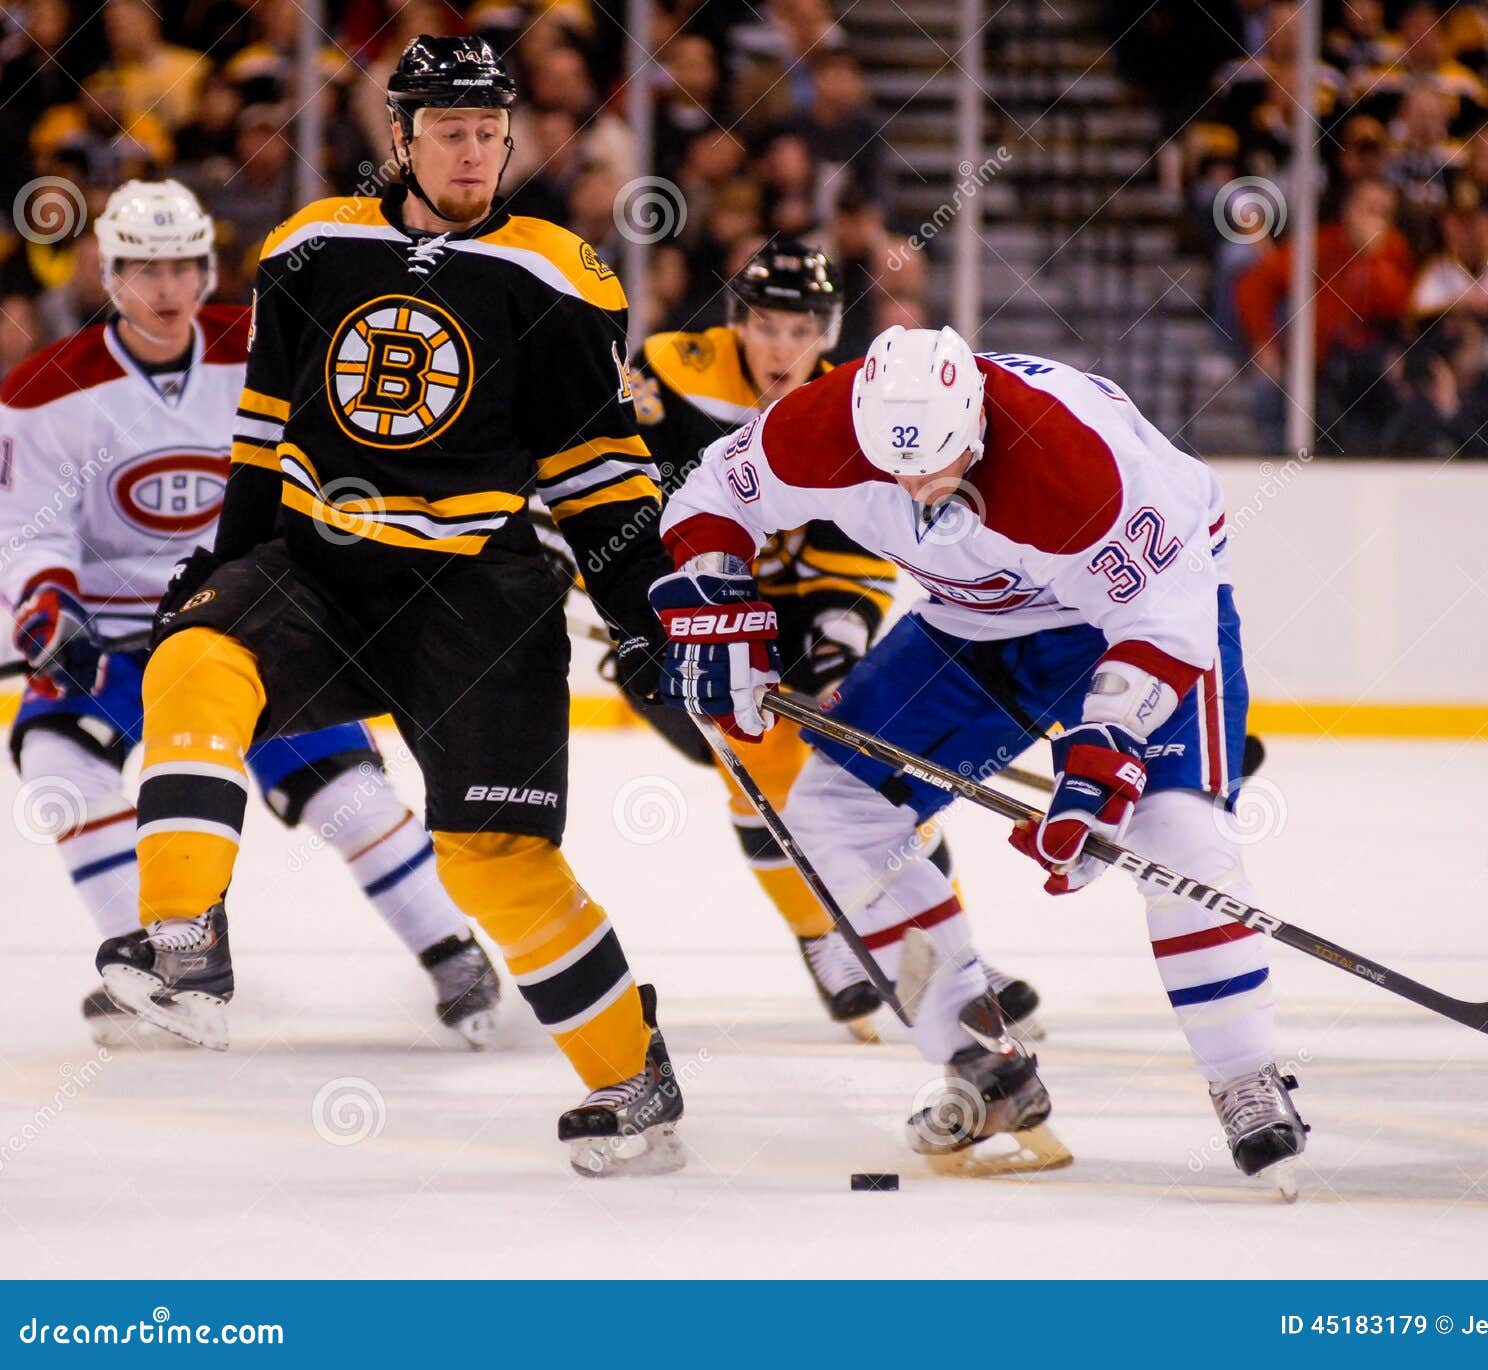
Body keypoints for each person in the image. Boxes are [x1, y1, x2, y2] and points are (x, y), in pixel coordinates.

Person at [92, 39, 683, 1176]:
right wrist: (223, 565)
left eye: (490, 128)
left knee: (492, 859)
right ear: (400, 139)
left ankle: (630, 1076)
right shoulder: (311, 246)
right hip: (319, 563)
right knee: (196, 652)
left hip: (479, 589)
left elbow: (602, 475)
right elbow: (263, 435)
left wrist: (645, 615)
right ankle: (181, 943)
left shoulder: (559, 273)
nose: (474, 148)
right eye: (450, 129)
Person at [649, 326, 1306, 1187]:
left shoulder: (1070, 460)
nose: (920, 486)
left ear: (978, 417)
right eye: (898, 467)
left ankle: (1247, 1078)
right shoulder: (822, 424)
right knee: (832, 813)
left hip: (1144, 616)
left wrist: (1105, 758)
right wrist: (717, 595)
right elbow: (708, 498)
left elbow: (1164, 619)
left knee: (1174, 833)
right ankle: (981, 1059)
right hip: (977, 627)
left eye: (943, 461)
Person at [1, 179, 500, 1049]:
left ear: (206, 267)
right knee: (54, 756)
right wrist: (48, 603)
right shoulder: (42, 391)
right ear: (109, 275)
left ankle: (453, 950)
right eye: (146, 269)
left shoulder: (269, 347)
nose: (168, 287)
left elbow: (338, 459)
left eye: (185, 265)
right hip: (113, 638)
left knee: (343, 789)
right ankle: (151, 955)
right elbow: (23, 526)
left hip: (250, 613)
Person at [545, 240, 1040, 1039]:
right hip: (677, 619)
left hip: (786, 621)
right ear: (738, 321)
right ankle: (827, 939)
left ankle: (956, 956)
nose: (783, 346)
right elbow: (609, 499)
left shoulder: (851, 406)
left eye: (802, 328)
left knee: (876, 765)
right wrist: (617, 591)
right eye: (768, 326)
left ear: (829, 329)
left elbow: (847, 554)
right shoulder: (665, 376)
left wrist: (840, 654)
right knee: (762, 760)